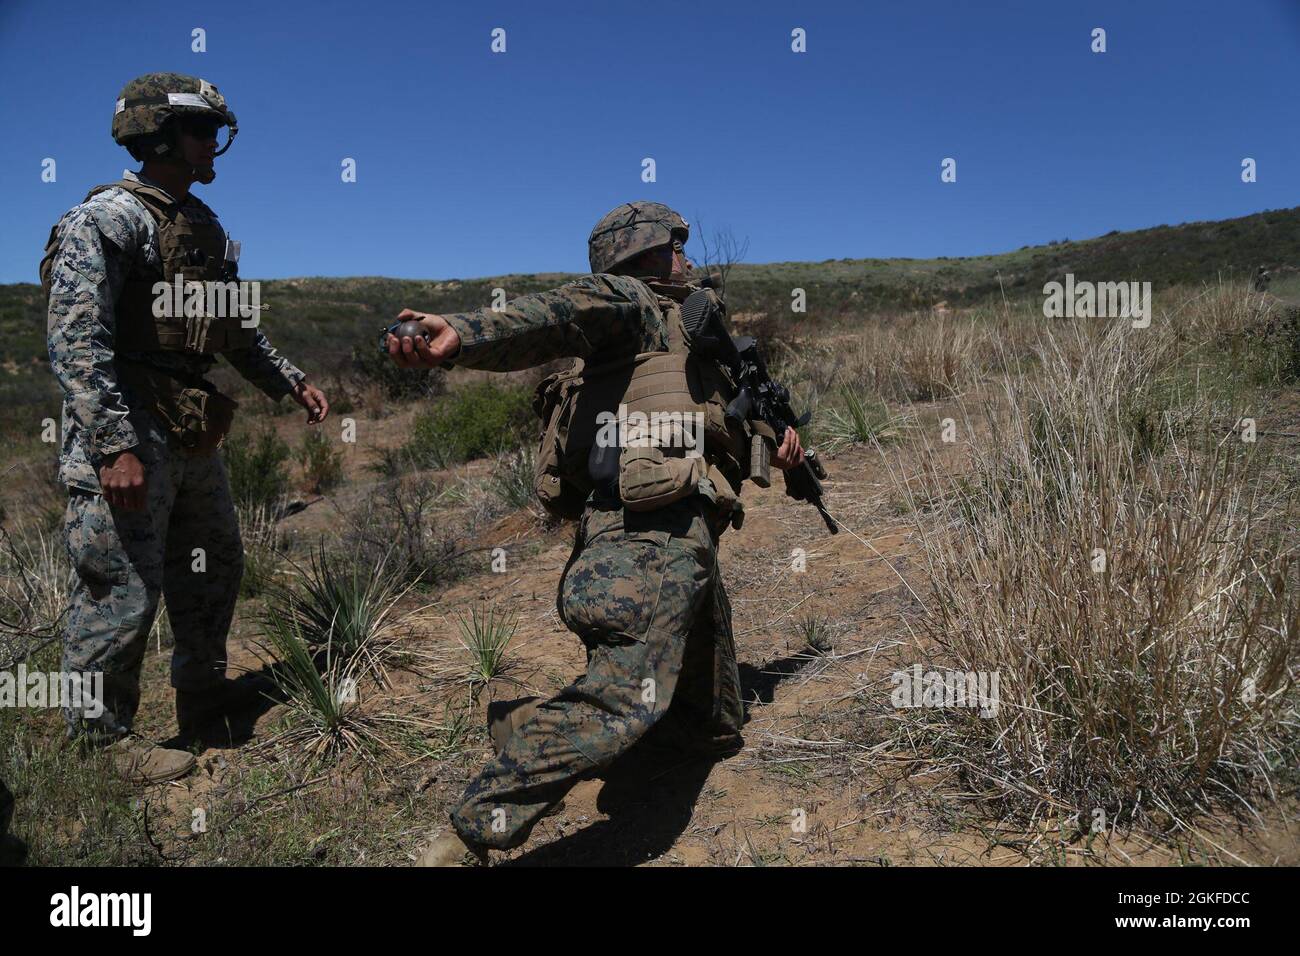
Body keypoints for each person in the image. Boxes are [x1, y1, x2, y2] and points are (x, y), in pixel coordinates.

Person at [385, 201, 804, 865]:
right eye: (677, 245)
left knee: (713, 732)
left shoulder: (686, 331)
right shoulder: (628, 301)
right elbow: (558, 312)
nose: (688, 257)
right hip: (640, 541)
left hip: (684, 535)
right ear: (642, 252)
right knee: (620, 700)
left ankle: (525, 721)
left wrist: (774, 445)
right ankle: (473, 828)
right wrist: (459, 335)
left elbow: (714, 425)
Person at [42, 72, 329, 784]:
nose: (213, 149)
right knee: (120, 584)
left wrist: (288, 381)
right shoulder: (107, 219)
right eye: (203, 133)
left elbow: (235, 330)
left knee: (214, 565)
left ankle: (202, 693)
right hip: (128, 429)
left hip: (190, 427)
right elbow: (77, 343)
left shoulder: (202, 228)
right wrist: (113, 446)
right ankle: (99, 745)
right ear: (164, 136)